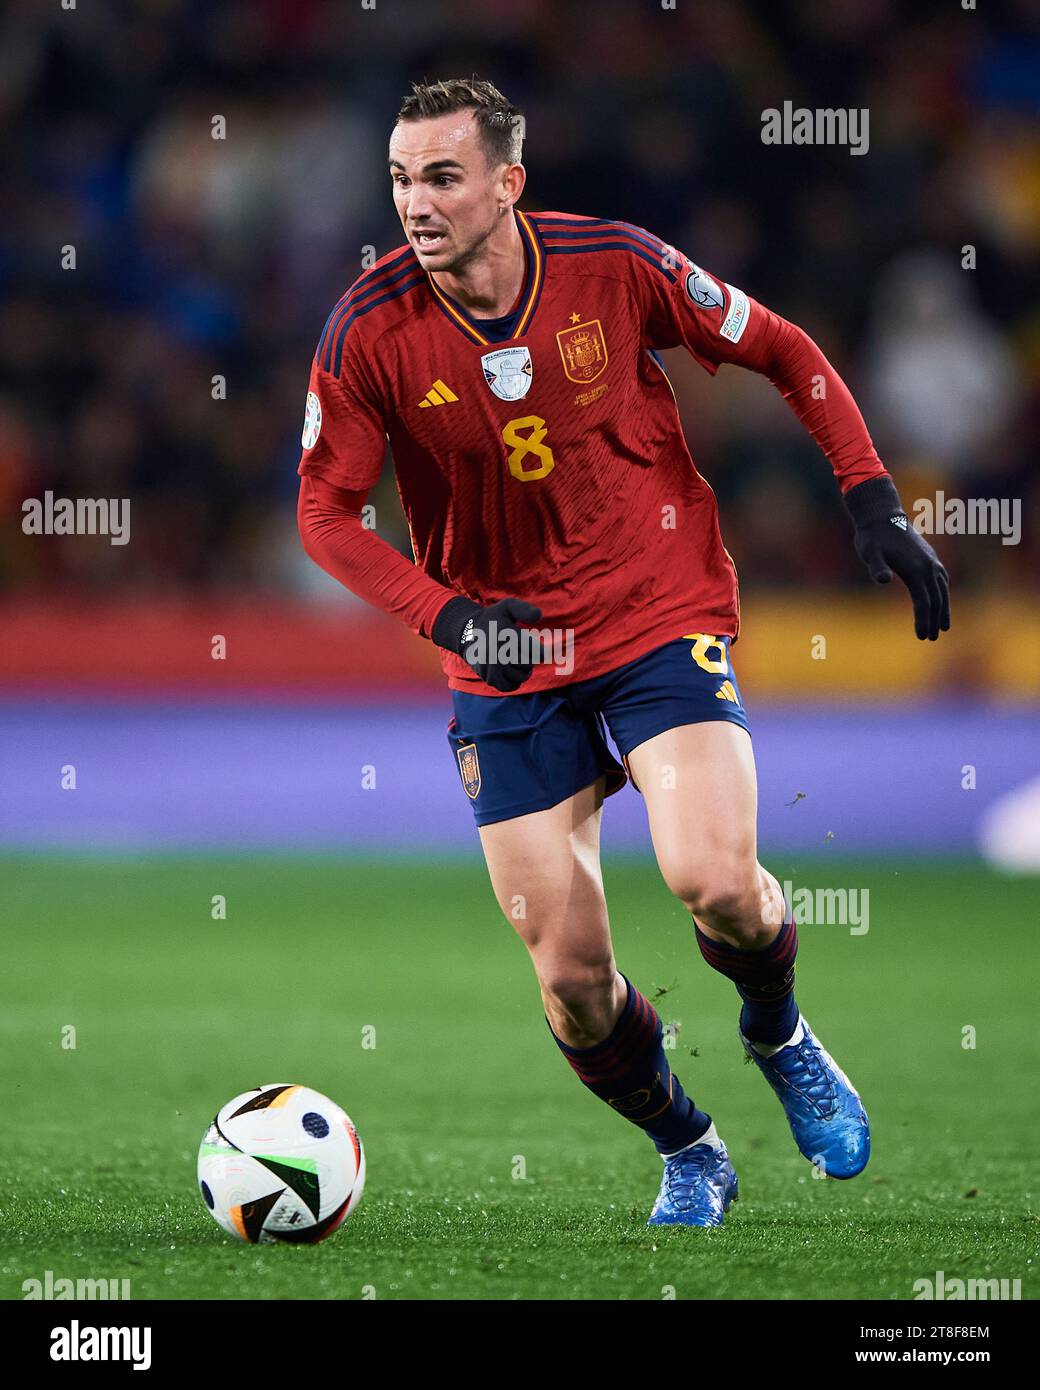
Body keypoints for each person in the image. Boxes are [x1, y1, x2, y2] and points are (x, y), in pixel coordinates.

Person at [297, 78, 950, 1227]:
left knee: (718, 887)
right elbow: (324, 514)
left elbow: (783, 348)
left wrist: (871, 499)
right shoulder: (367, 330)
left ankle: (778, 1033)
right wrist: (449, 620)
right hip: (502, 656)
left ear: (508, 183)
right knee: (573, 981)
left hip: (652, 611)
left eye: (442, 176)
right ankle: (689, 1146)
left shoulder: (615, 264)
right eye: (399, 178)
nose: (415, 202)